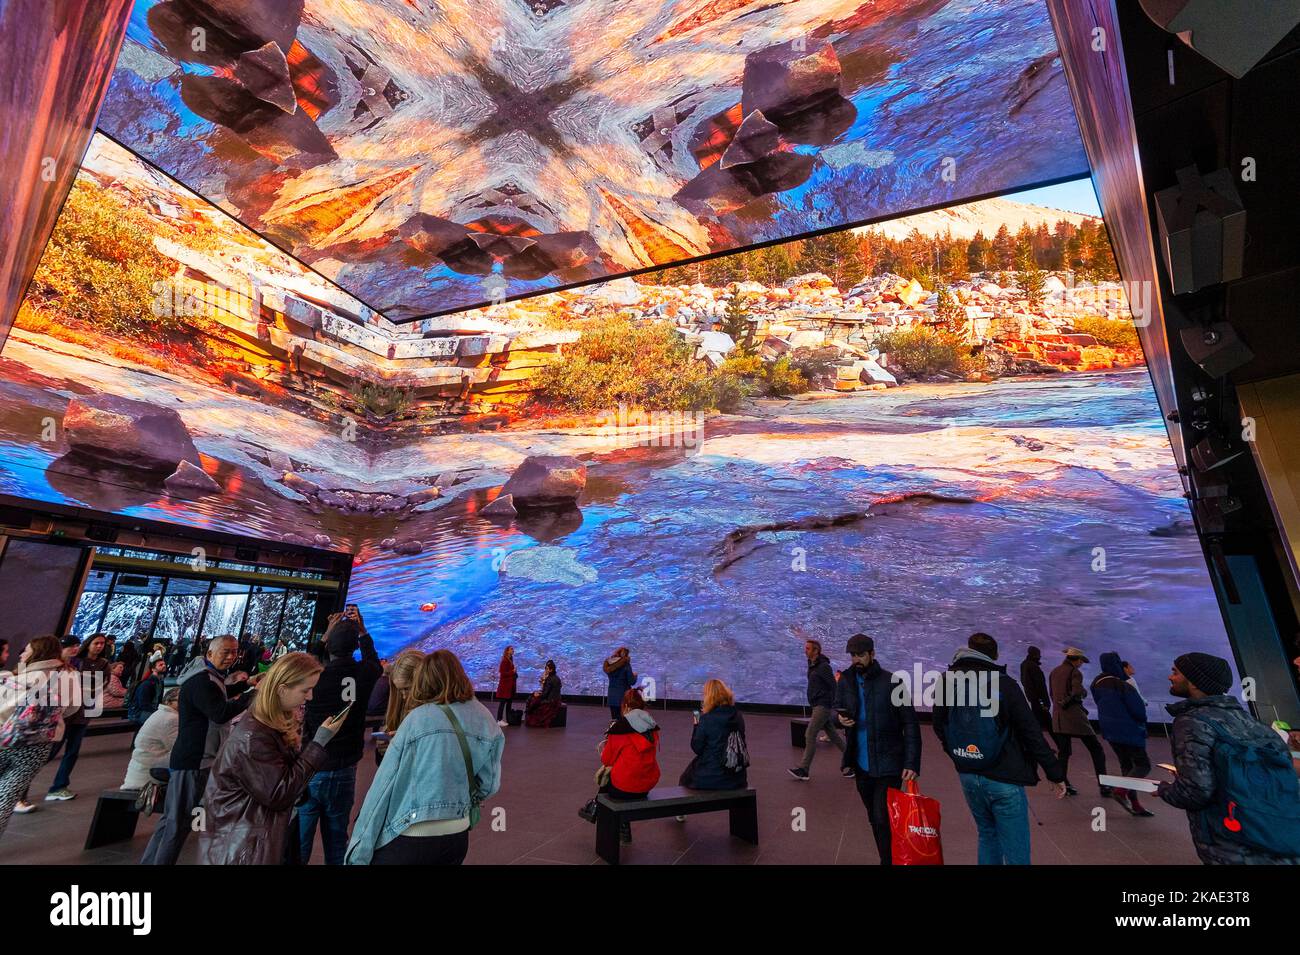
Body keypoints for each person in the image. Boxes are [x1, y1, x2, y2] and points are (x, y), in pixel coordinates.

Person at [346, 650, 504, 865]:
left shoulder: (418, 719)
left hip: (412, 832)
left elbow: (381, 791)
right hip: (458, 833)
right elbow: (488, 785)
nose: (404, 695)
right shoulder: (485, 716)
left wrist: (358, 852)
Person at [932, 633, 1067, 865]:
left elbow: (939, 725)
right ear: (994, 655)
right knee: (1016, 848)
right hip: (1004, 777)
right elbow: (1031, 732)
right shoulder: (1004, 683)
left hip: (968, 775)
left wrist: (958, 756)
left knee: (987, 835)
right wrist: (1054, 772)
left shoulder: (947, 680)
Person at [200, 652, 345, 865]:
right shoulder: (254, 737)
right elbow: (279, 793)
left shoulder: (265, 725)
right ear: (282, 689)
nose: (310, 696)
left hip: (252, 838)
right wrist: (318, 744)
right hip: (245, 847)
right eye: (305, 690)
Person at [1156, 653, 1300, 864]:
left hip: (1227, 839)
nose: (1171, 677)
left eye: (1175, 672)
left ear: (1195, 682)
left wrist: (1165, 789)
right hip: (1272, 833)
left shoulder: (1191, 721)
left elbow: (1195, 791)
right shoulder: (1250, 721)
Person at [140, 635, 256, 865]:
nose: (231, 656)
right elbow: (219, 711)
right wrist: (252, 695)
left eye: (235, 652)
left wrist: (247, 683)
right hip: (195, 759)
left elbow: (217, 695)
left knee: (171, 820)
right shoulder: (202, 681)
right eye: (226, 652)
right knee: (178, 823)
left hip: (194, 758)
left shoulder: (208, 678)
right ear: (210, 654)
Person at [298, 609, 383, 865]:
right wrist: (363, 631)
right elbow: (374, 663)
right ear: (355, 646)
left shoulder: (314, 677)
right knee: (337, 841)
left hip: (311, 766)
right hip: (345, 767)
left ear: (329, 647)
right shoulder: (364, 674)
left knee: (299, 839)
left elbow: (304, 661)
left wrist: (326, 634)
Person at [835, 633, 920, 865]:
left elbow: (910, 723)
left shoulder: (892, 682)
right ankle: (889, 856)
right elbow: (836, 711)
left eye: (860, 655)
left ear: (872, 654)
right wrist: (839, 719)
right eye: (852, 655)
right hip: (861, 763)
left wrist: (911, 762)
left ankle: (888, 861)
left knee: (883, 818)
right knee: (874, 817)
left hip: (889, 762)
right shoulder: (845, 680)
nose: (856, 660)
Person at [0, 637, 77, 838]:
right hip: (41, 743)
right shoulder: (70, 675)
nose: (23, 654)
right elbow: (71, 708)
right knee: (8, 793)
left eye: (26, 650)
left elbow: (4, 709)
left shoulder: (22, 677)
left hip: (7, 738)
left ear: (37, 652)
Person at [42, 633, 111, 802]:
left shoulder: (103, 664)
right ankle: (22, 786)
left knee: (72, 751)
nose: (99, 646)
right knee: (50, 750)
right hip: (65, 711)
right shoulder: (74, 662)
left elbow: (100, 685)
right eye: (96, 643)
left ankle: (59, 785)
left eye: (102, 643)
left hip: (82, 712)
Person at [1091, 652, 1154, 817]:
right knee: (1142, 765)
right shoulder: (1123, 685)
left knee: (1126, 766)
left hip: (1109, 731)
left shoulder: (1096, 683)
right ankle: (1121, 791)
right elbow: (1138, 710)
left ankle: (1135, 804)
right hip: (1129, 731)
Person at [594, 688, 660, 844]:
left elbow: (607, 759)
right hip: (647, 783)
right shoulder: (652, 727)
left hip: (625, 787)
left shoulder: (619, 728)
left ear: (625, 706)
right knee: (618, 777)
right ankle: (598, 810)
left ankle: (600, 813)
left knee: (606, 784)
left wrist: (608, 742)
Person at [1049, 647, 1110, 797]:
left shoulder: (1054, 671)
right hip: (1074, 717)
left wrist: (1060, 704)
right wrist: (1076, 697)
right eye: (1081, 661)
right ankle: (1104, 786)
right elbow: (1076, 692)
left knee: (1064, 753)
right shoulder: (1075, 672)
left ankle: (1064, 785)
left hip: (1057, 717)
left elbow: (1052, 694)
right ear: (1076, 660)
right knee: (1096, 750)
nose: (1081, 664)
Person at [789, 639, 847, 780]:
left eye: (808, 648)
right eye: (806, 648)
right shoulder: (812, 665)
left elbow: (833, 685)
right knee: (833, 736)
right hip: (817, 704)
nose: (805, 650)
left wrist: (831, 704)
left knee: (810, 735)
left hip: (822, 705)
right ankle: (853, 763)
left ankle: (804, 769)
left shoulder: (823, 667)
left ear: (816, 651)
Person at [680, 678, 748, 791]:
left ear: (708, 697)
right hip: (737, 776)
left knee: (685, 778)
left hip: (712, 776)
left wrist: (696, 725)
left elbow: (697, 748)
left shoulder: (707, 719)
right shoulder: (738, 716)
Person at [121, 688, 180, 790]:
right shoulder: (171, 719)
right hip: (149, 775)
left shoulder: (161, 714)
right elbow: (179, 748)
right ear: (168, 702)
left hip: (141, 772)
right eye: (181, 701)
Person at [376, 649, 424, 764]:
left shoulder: (435, 715)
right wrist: (384, 750)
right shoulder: (398, 708)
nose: (403, 696)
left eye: (407, 688)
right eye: (399, 690)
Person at [128, 659, 168, 731]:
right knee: (162, 722)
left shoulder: (160, 682)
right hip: (138, 713)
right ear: (153, 669)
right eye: (160, 665)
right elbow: (143, 704)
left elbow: (159, 700)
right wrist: (157, 712)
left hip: (148, 710)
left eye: (164, 664)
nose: (164, 666)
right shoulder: (147, 684)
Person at [1019, 646, 1052, 731]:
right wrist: (1046, 702)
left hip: (1031, 697)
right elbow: (1040, 686)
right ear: (1035, 655)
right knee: (1048, 724)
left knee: (1037, 721)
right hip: (1039, 699)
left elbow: (1023, 681)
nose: (1040, 657)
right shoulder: (1033, 666)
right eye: (1039, 655)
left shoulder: (1024, 664)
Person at [524, 660, 563, 728]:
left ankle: (529, 717)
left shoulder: (550, 679)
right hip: (556, 699)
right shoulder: (556, 677)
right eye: (545, 669)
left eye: (547, 669)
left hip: (551, 701)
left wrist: (537, 694)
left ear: (551, 670)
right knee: (534, 695)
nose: (545, 670)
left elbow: (545, 694)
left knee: (533, 699)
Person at [603, 647, 637, 722]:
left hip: (612, 696)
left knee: (614, 720)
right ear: (625, 655)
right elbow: (631, 681)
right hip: (624, 696)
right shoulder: (626, 666)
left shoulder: (608, 665)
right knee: (624, 721)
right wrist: (635, 676)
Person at [494, 646, 517, 727]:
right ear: (507, 651)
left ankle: (508, 719)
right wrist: (512, 671)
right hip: (505, 686)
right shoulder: (505, 661)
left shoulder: (510, 660)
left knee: (509, 703)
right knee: (503, 703)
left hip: (509, 686)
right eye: (511, 649)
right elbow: (503, 673)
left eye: (513, 649)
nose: (513, 650)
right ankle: (499, 719)